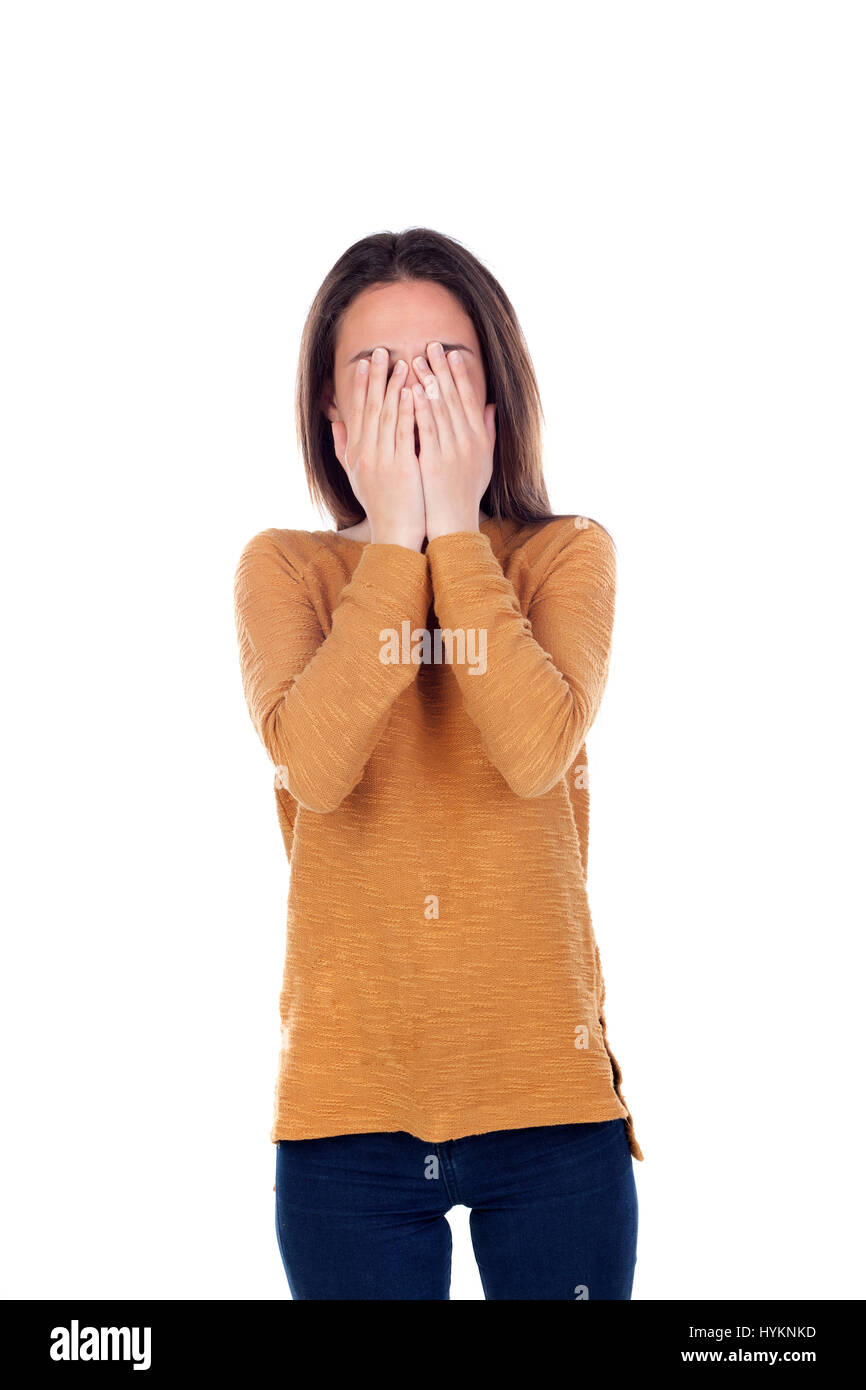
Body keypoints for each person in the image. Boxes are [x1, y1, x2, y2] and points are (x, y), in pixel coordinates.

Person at [233, 227, 643, 1300]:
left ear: (496, 396)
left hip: (549, 1106)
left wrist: (453, 534)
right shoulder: (285, 569)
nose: (412, 389)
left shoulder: (566, 554)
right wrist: (392, 545)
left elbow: (532, 746)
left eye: (444, 362)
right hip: (346, 1114)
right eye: (374, 368)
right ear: (329, 416)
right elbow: (314, 769)